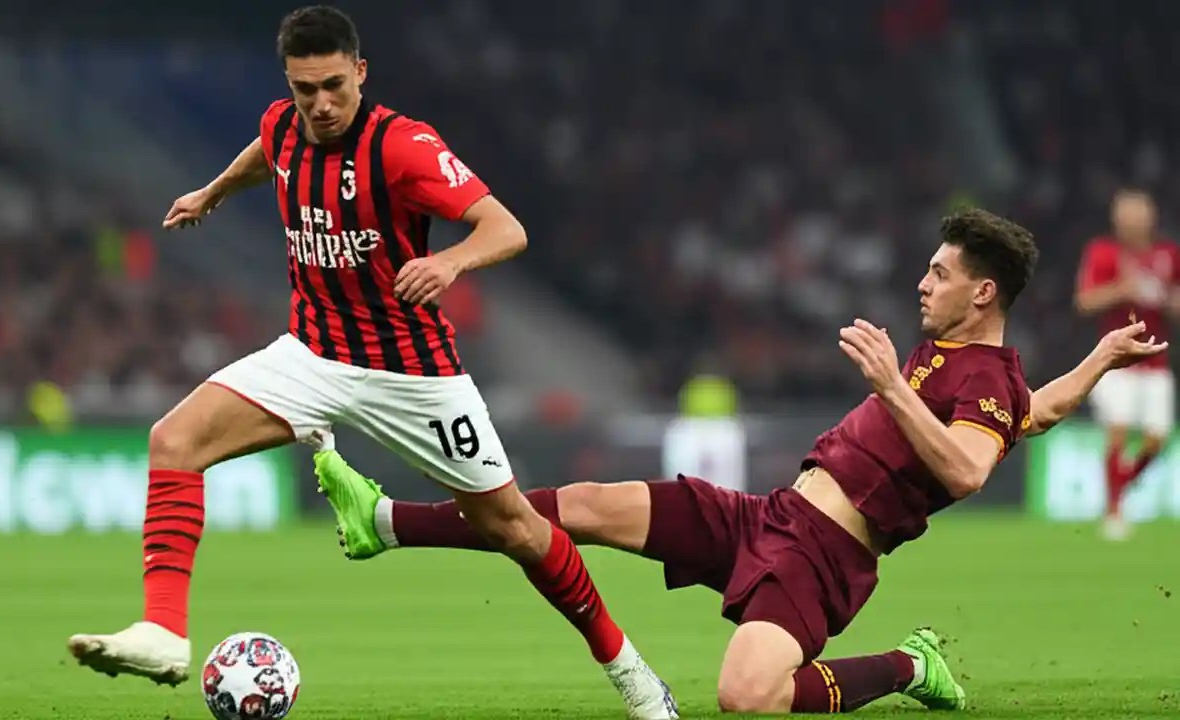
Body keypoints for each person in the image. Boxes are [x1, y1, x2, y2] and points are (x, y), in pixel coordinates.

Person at [66, 7, 676, 717]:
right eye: (304, 90)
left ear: (360, 73)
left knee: (513, 528)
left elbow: (506, 228)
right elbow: (269, 151)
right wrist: (212, 193)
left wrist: (448, 261)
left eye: (333, 86)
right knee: (173, 440)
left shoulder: (403, 146)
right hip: (312, 354)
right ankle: (165, 632)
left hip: (413, 374)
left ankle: (632, 675)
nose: (320, 105)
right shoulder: (283, 125)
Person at [316, 208, 1167, 713]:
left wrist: (887, 384)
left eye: (939, 275)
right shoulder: (972, 369)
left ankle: (912, 664)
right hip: (770, 515)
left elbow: (972, 469)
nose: (922, 284)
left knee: (747, 697)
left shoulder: (975, 376)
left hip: (825, 556)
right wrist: (1097, 361)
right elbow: (1036, 414)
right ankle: (385, 521)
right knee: (581, 504)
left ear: (983, 292)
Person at [1075, 188, 1179, 540]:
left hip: (1155, 358)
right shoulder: (1103, 252)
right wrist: (1123, 289)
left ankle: (1121, 489)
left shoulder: (1168, 254)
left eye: (1138, 215)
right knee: (1117, 431)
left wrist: (1166, 299)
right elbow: (1086, 300)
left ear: (1150, 218)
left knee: (1157, 439)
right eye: (1126, 215)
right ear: (1116, 220)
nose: (1132, 222)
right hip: (1115, 360)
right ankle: (1114, 510)